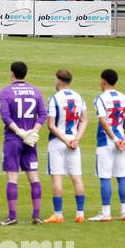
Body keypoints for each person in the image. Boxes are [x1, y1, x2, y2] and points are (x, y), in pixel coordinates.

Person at [0, 60, 46, 225]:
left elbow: (5, 116)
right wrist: (33, 132)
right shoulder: (36, 92)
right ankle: (37, 215)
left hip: (13, 140)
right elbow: (43, 114)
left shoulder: (6, 92)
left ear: (12, 73)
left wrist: (19, 132)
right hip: (30, 141)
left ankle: (12, 217)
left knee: (12, 178)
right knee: (34, 177)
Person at [88, 68, 125, 222]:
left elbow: (103, 121)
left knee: (105, 177)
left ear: (103, 81)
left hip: (106, 141)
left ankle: (106, 213)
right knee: (122, 176)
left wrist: (114, 139)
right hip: (122, 141)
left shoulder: (100, 99)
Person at [45, 68, 88, 224]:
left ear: (58, 81)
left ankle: (58, 214)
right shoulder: (79, 98)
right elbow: (84, 120)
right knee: (77, 178)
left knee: (57, 178)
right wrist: (76, 139)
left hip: (58, 142)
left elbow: (51, 125)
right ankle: (80, 214)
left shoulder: (54, 99)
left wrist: (65, 140)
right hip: (74, 142)